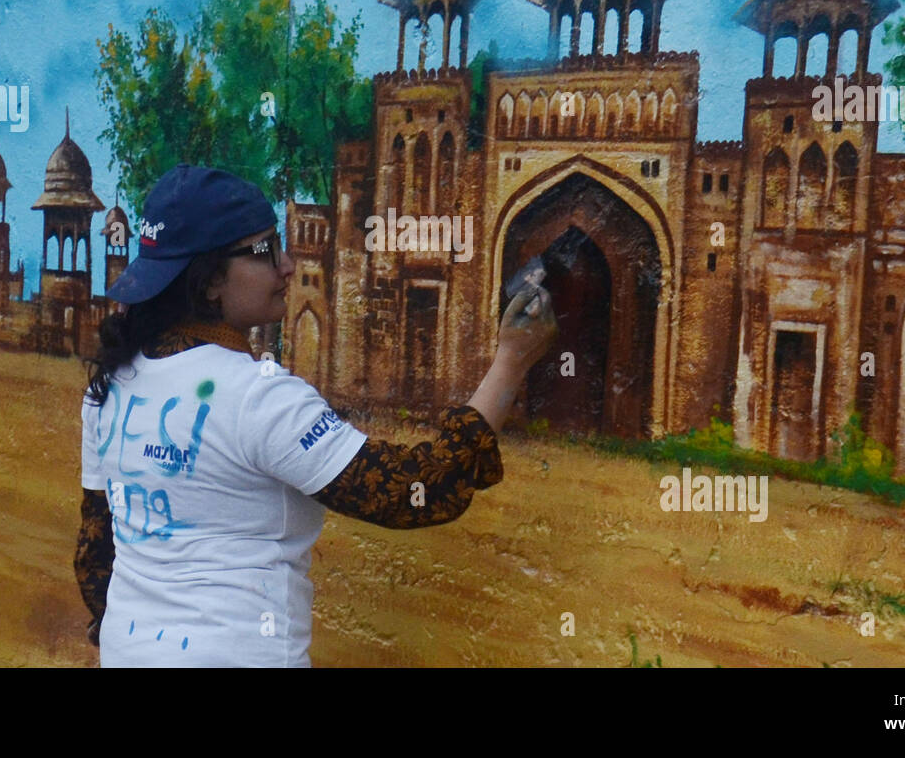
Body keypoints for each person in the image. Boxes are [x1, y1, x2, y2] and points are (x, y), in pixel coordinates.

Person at [76, 163, 557, 667]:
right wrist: (512, 361)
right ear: (210, 280)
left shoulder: (110, 385)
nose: (286, 265)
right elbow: (417, 493)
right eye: (264, 251)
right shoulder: (257, 398)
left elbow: (95, 553)